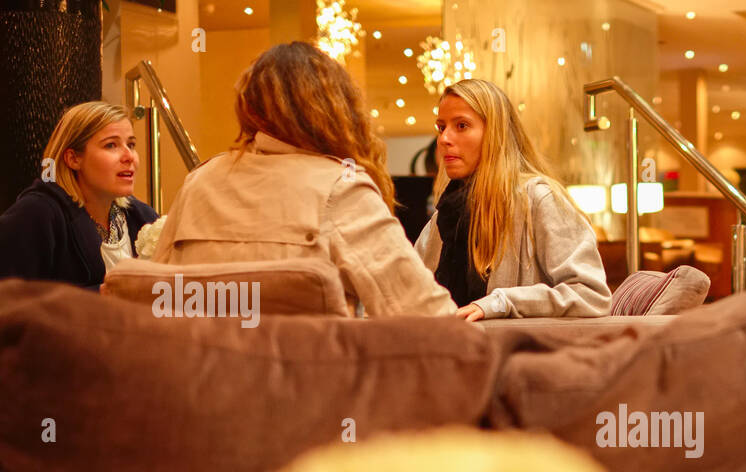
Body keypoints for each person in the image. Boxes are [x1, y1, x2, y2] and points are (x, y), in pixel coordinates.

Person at [149, 41, 455, 318]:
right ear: (338, 110)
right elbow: (426, 314)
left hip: (199, 374)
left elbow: (153, 295)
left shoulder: (200, 181)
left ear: (249, 107)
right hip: (304, 375)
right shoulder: (341, 187)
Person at [416, 78, 611, 320]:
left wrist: (502, 302)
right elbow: (410, 292)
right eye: (441, 127)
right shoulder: (444, 215)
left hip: (520, 354)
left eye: (462, 125)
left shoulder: (540, 199)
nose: (444, 138)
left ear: (495, 134)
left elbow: (590, 295)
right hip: (453, 351)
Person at [0, 102, 158, 288]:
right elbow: (12, 302)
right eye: (111, 145)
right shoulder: (36, 213)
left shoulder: (141, 216)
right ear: (73, 159)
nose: (129, 156)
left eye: (131, 144)